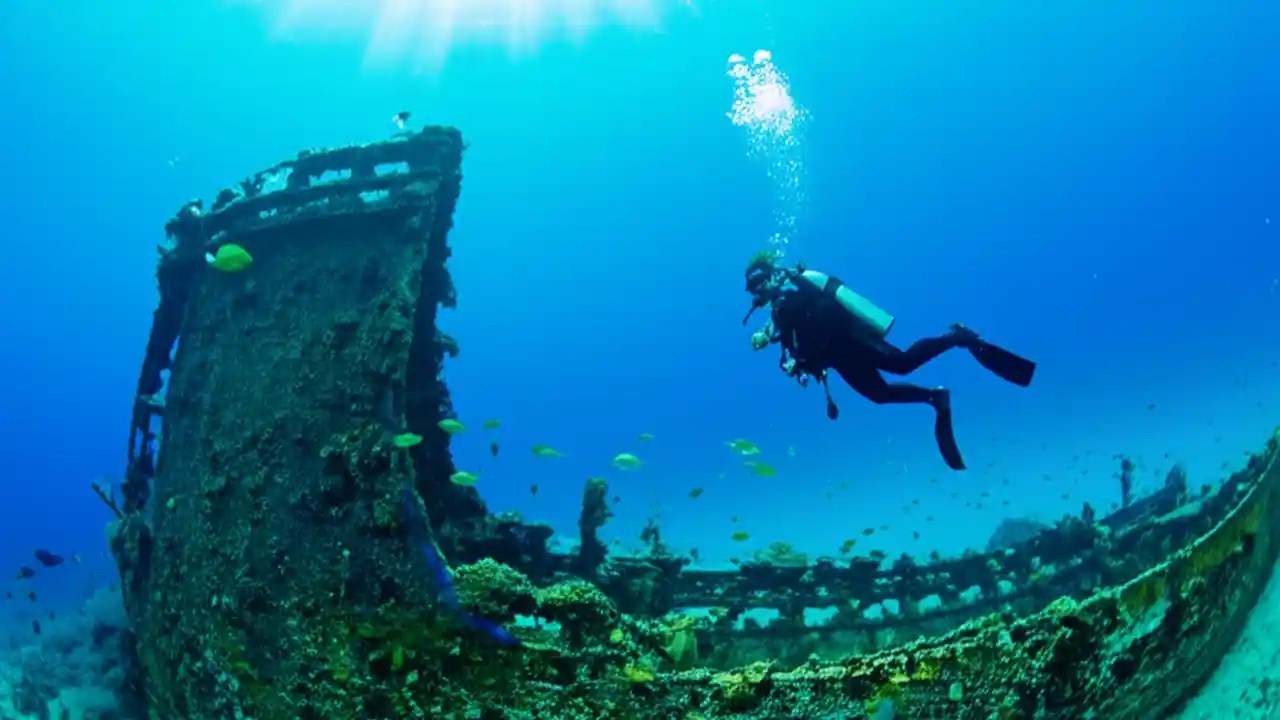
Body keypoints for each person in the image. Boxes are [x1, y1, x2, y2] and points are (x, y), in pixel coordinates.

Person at [742, 251, 1035, 470]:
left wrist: (774, 331)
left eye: (757, 284)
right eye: (752, 289)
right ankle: (934, 397)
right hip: (840, 360)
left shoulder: (793, 289)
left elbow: (806, 315)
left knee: (903, 362)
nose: (755, 293)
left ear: (769, 275)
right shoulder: (779, 311)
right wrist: (794, 362)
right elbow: (798, 348)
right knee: (880, 396)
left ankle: (956, 336)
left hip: (853, 340)